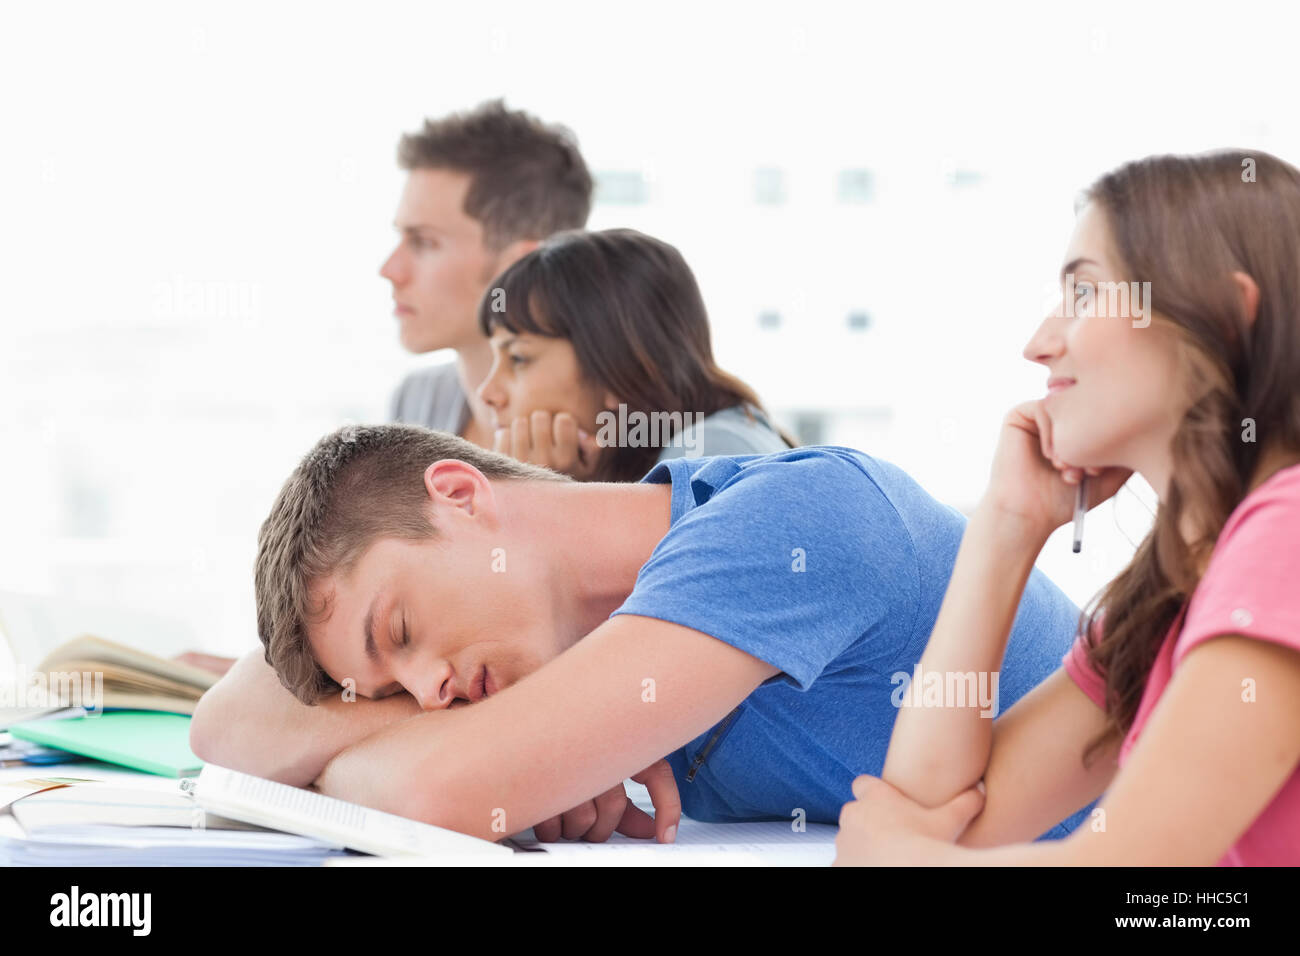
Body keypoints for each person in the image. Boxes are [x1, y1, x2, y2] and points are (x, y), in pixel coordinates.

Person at [190, 423, 1093, 845]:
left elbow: (437, 794)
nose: (428, 693)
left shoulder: (789, 522)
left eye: (403, 630)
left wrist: (449, 764)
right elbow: (226, 728)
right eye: (393, 694)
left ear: (460, 497)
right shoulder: (607, 649)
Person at [834, 149, 1300, 866]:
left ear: (1227, 317)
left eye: (1084, 294)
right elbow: (936, 811)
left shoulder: (1288, 533)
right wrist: (1006, 528)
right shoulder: (1164, 608)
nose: (1039, 344)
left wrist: (906, 860)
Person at [477, 228, 795, 480]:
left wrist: (537, 502)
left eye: (518, 358)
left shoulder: (706, 457)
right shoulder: (705, 441)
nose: (488, 393)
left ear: (619, 369)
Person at [381, 100, 593, 449]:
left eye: (423, 242)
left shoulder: (626, 432)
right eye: (401, 236)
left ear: (521, 267)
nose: (390, 270)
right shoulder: (415, 405)